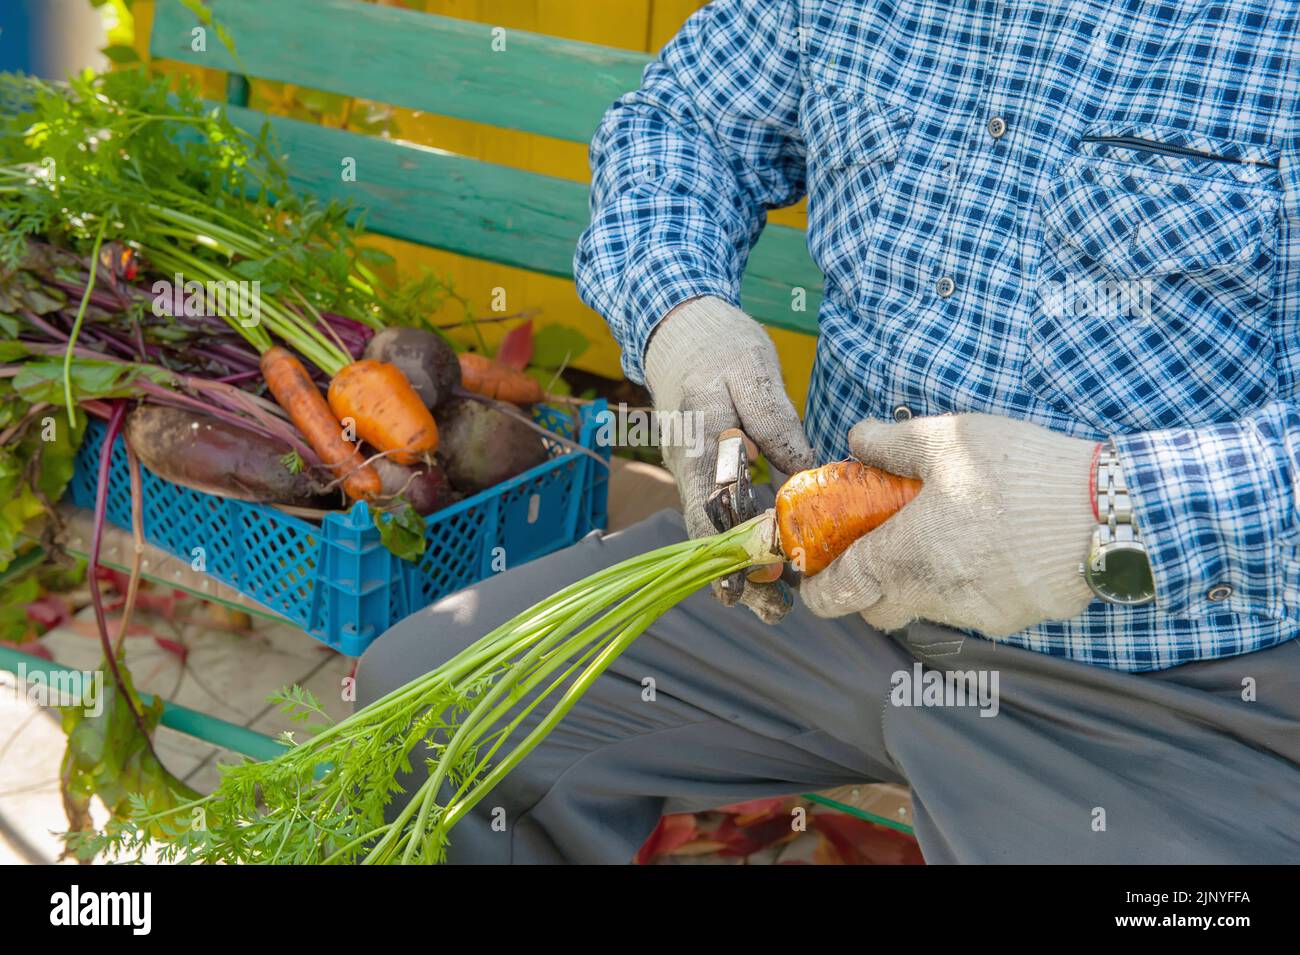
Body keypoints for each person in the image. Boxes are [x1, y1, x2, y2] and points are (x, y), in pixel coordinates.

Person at [358, 0, 1300, 863]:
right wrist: (681, 318)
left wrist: (1107, 513)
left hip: (1168, 680)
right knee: (415, 717)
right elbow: (681, 127)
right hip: (821, 586)